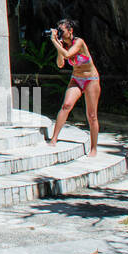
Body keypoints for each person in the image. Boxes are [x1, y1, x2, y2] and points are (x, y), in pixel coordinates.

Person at [48, 17, 99, 156]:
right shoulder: (62, 45)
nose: (59, 33)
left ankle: (94, 148)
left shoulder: (79, 42)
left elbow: (68, 55)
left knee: (92, 115)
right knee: (66, 106)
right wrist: (58, 46)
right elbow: (60, 63)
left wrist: (54, 42)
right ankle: (54, 138)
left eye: (61, 30)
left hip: (91, 79)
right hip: (76, 79)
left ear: (70, 31)